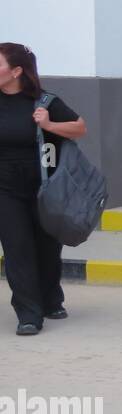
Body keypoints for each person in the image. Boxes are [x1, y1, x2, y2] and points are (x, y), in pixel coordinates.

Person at [0, 44, 88, 336]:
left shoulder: (45, 101)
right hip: (5, 188)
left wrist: (49, 124)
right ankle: (28, 314)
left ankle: (51, 299)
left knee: (47, 248)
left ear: (16, 71)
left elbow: (79, 128)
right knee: (17, 249)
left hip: (44, 188)